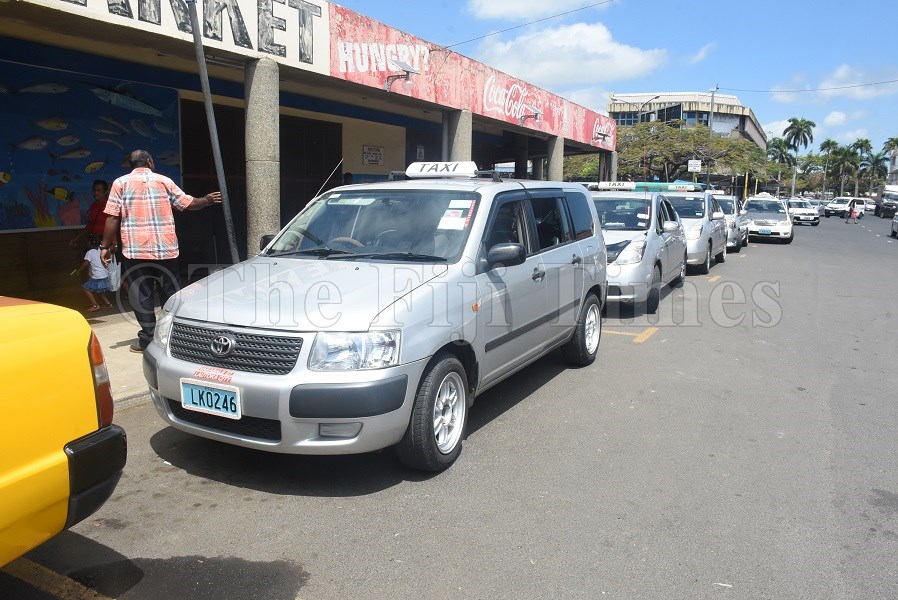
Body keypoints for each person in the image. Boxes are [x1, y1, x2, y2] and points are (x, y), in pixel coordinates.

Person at [100, 150, 221, 353]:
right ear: (149, 162)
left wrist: (105, 246)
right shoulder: (164, 181)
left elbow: (112, 217)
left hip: (135, 250)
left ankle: (148, 338)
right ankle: (172, 335)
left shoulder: (119, 183)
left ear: (131, 164)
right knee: (170, 292)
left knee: (141, 293)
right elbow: (189, 204)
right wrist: (207, 200)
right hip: (166, 250)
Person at [75, 234, 113, 312]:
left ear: (89, 243)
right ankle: (108, 304)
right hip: (104, 275)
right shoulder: (102, 250)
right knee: (98, 289)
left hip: (98, 276)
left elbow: (86, 264)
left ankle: (95, 305)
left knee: (86, 288)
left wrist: (78, 271)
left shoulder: (90, 252)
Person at [69, 180, 110, 248]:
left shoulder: (109, 206)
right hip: (93, 242)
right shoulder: (93, 206)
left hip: (105, 244)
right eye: (94, 190)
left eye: (99, 191)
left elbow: (114, 225)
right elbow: (89, 226)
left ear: (105, 192)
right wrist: (76, 239)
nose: (96, 193)